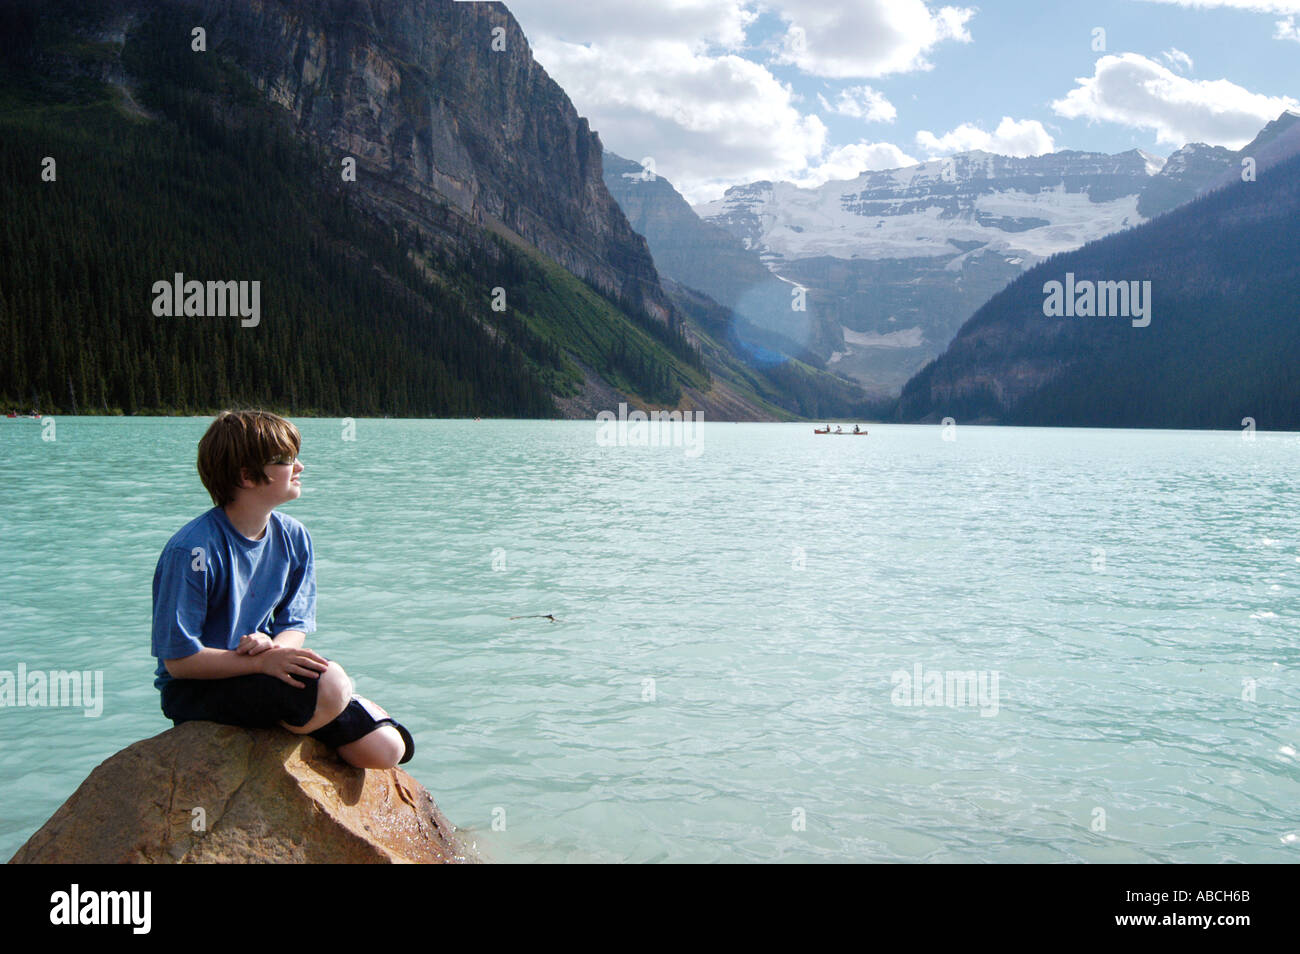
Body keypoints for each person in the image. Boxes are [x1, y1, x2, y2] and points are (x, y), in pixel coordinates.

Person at [151, 409, 413, 769]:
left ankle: (319, 707)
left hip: (264, 671)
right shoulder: (192, 550)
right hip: (197, 691)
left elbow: (295, 624)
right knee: (333, 682)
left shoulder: (294, 536)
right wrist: (262, 661)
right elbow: (179, 662)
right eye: (285, 460)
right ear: (247, 476)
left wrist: (274, 650)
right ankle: (329, 705)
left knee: (387, 749)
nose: (300, 467)